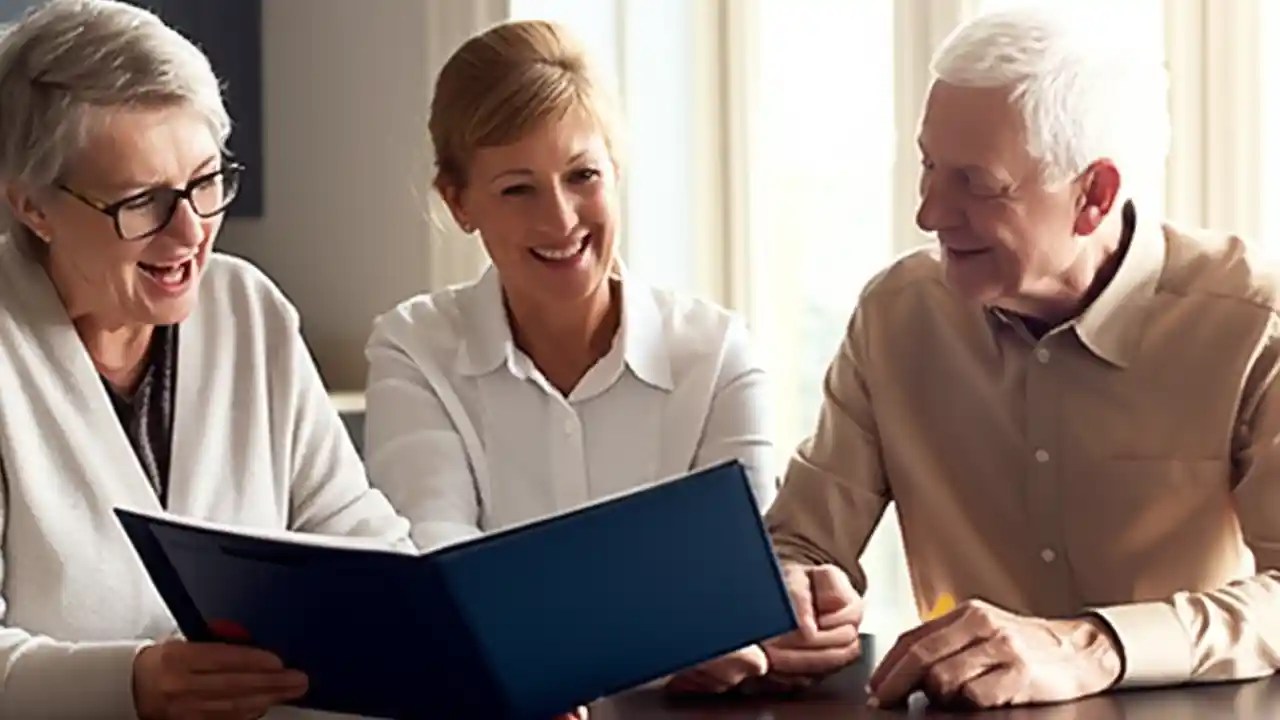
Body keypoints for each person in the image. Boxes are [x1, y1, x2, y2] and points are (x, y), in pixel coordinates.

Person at [674, 5, 1280, 710]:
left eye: (976, 184)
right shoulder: (895, 317)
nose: (929, 213)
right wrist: (795, 596)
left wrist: (1094, 645)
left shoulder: (1252, 325)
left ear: (1094, 195)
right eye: (929, 167)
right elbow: (801, 543)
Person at [0, 3, 593, 719]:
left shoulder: (247, 310)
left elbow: (358, 539)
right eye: (143, 201)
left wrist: (484, 669)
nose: (191, 231)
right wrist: (133, 685)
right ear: (31, 206)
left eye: (205, 181)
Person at [363, 20, 776, 552]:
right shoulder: (415, 350)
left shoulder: (719, 355)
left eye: (583, 176)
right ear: (459, 202)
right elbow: (440, 566)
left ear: (616, 171)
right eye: (517, 189)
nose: (560, 220)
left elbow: (740, 573)